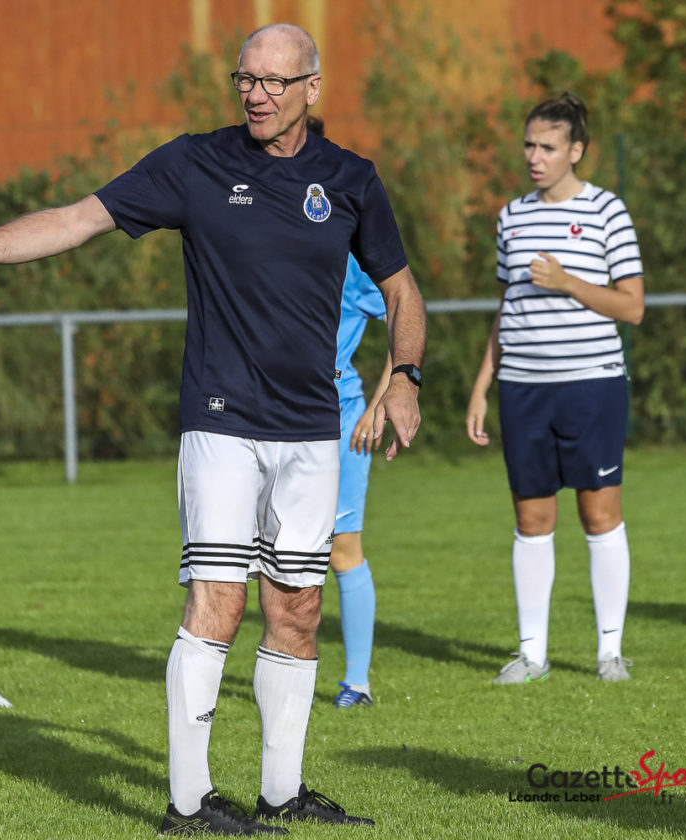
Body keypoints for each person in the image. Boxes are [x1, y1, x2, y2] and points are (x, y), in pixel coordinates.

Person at [0, 23, 426, 835]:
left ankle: (283, 793)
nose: (258, 95)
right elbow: (74, 219)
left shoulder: (351, 181)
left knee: (299, 607)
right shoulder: (195, 164)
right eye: (246, 78)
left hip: (313, 429)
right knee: (218, 602)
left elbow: (404, 292)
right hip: (222, 422)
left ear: (313, 87)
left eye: (276, 82)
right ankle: (189, 804)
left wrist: (404, 376)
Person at [465, 92, 644, 686]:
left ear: (576, 150)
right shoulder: (512, 216)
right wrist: (483, 385)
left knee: (599, 515)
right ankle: (532, 655)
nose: (534, 157)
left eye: (547, 146)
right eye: (528, 145)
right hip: (523, 390)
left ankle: (609, 653)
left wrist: (567, 281)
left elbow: (633, 307)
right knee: (532, 517)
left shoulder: (607, 211)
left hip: (591, 387)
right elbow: (505, 306)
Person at [307, 116, 394, 711]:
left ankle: (356, 683)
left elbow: (406, 314)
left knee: (342, 548)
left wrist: (385, 401)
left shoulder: (350, 256)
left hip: (339, 418)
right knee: (274, 557)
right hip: (272, 416)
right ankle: (284, 671)